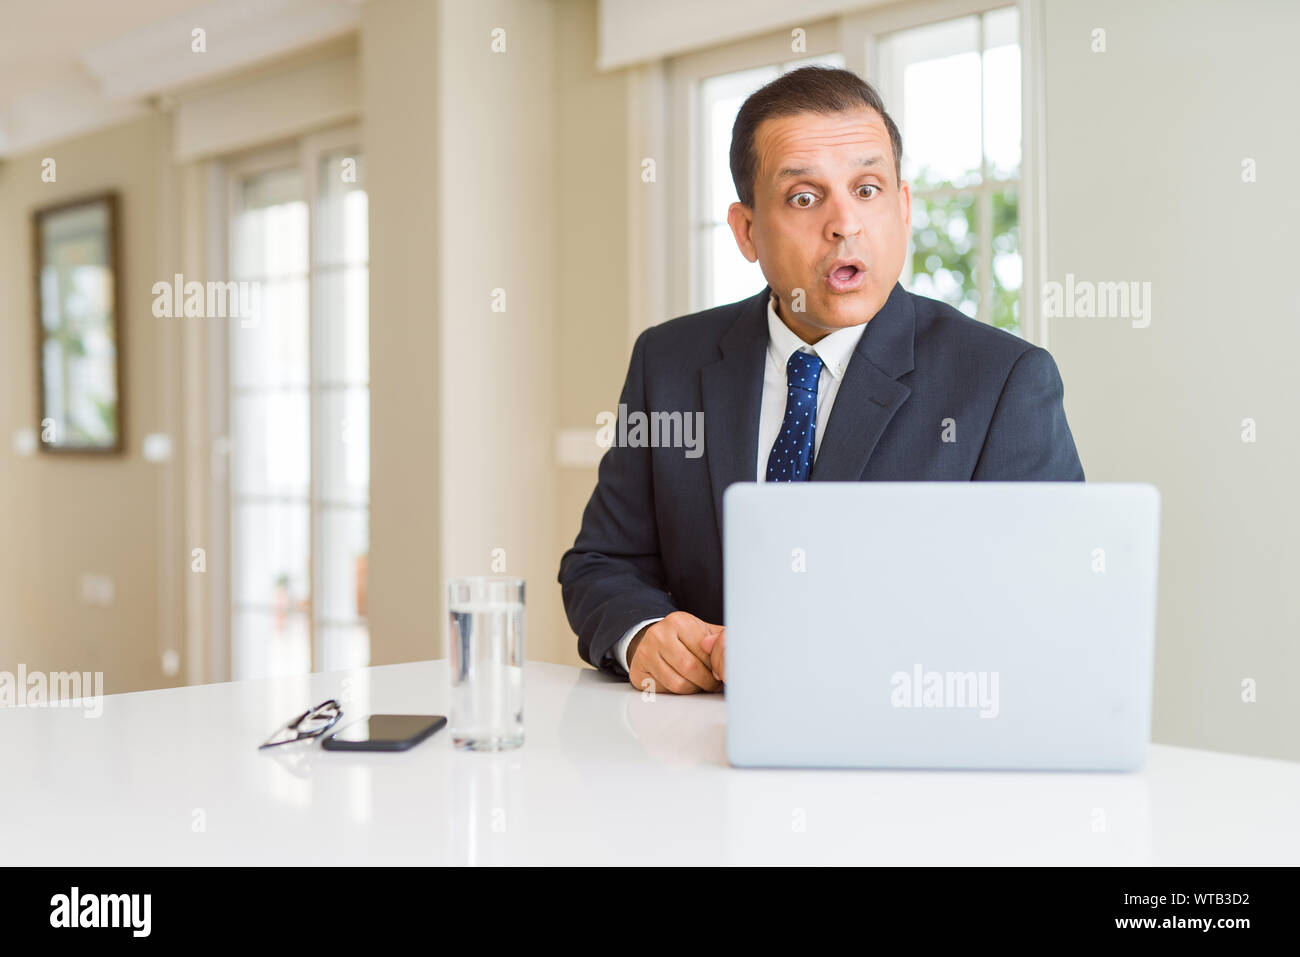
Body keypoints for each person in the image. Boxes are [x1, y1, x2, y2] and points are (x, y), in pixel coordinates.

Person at [558, 67, 1083, 695]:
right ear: (747, 232)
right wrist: (644, 633)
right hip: (695, 755)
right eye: (805, 198)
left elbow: (1050, 608)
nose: (844, 224)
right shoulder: (667, 362)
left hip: (903, 757)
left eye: (867, 189)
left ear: (904, 207)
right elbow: (602, 563)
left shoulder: (1003, 383)